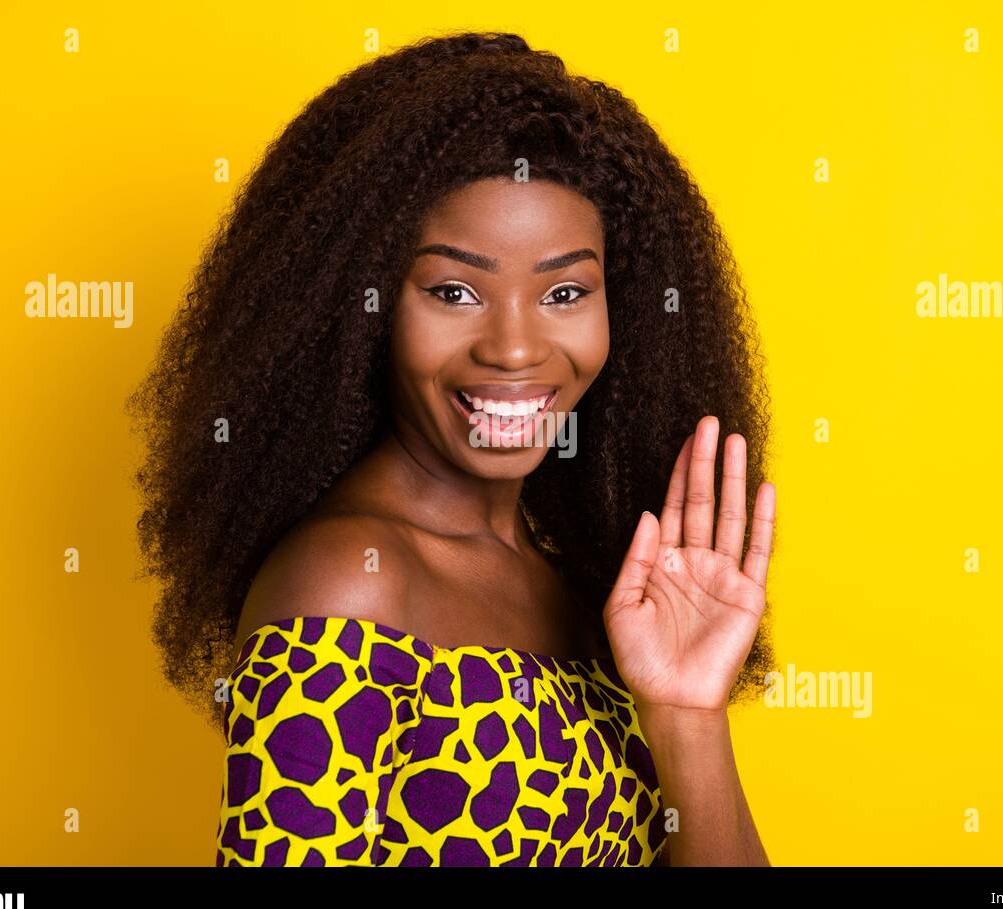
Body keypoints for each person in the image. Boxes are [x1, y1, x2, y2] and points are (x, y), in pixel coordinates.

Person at [127, 31, 776, 866]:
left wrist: (687, 717)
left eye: (566, 291)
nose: (513, 349)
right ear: (362, 304)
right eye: (455, 291)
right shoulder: (348, 586)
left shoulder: (591, 593)